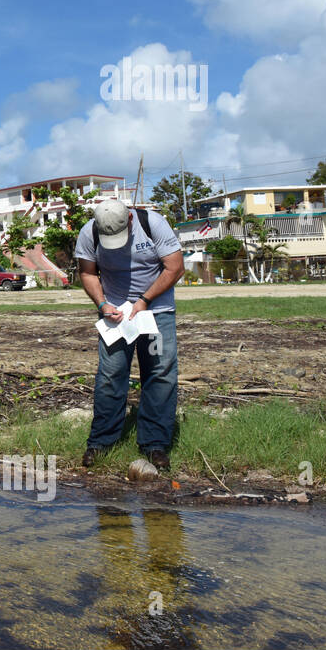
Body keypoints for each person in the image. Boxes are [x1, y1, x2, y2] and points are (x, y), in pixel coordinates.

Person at [74, 199, 185, 471]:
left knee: (160, 373)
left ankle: (155, 444)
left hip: (156, 310)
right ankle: (101, 442)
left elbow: (175, 267)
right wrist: (102, 304)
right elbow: (87, 273)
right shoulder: (89, 232)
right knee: (111, 374)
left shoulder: (153, 224)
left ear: (130, 220)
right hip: (116, 314)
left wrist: (145, 299)